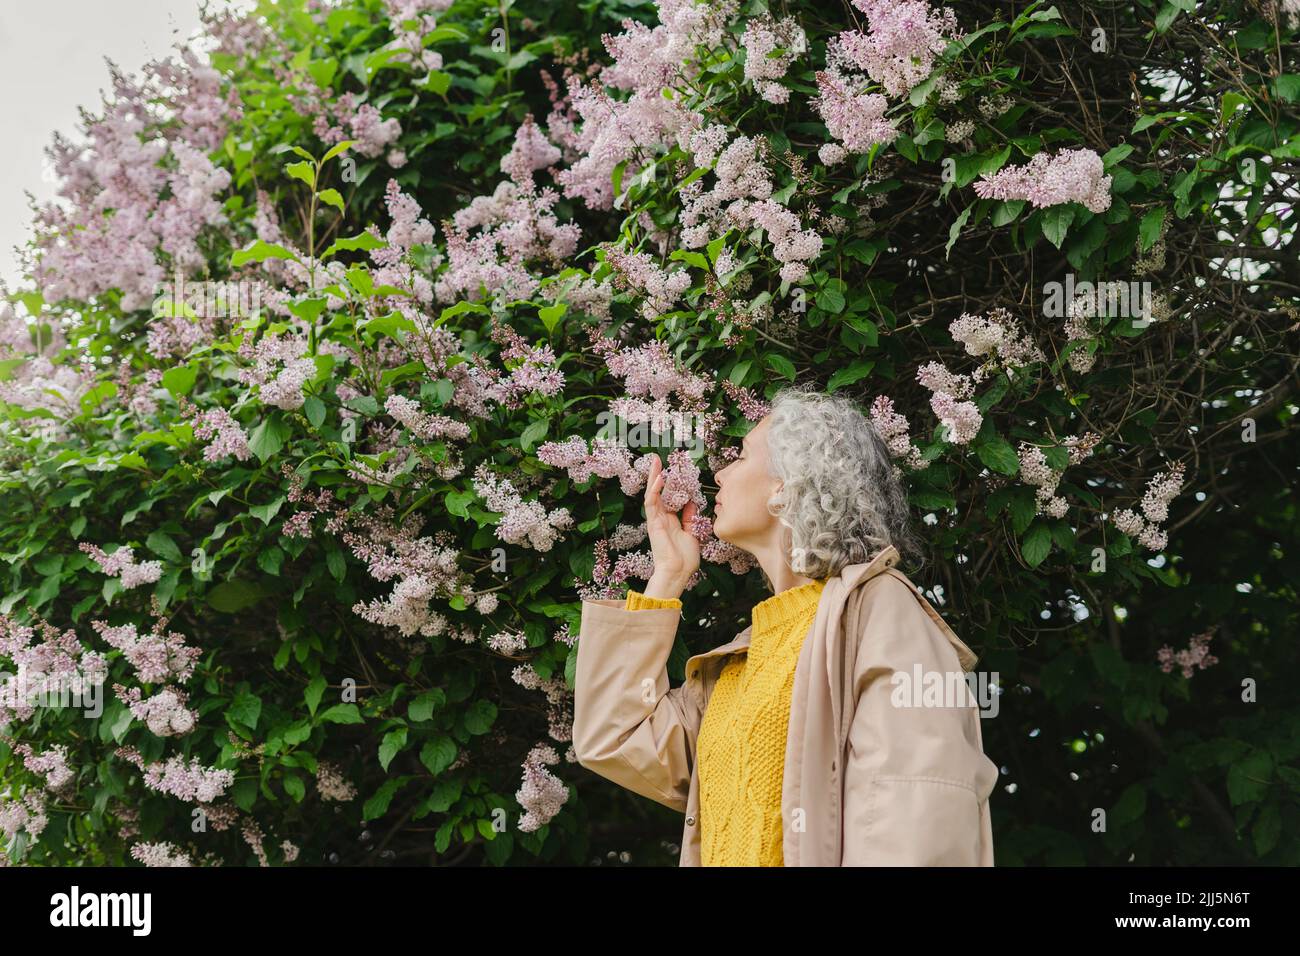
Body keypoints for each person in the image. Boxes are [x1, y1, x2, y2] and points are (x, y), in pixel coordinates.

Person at [572, 385, 999, 866]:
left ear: (786, 483)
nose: (719, 471)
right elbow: (615, 738)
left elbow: (915, 806)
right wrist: (667, 576)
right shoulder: (742, 661)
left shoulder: (879, 610)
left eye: (741, 456)